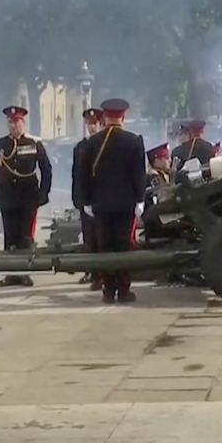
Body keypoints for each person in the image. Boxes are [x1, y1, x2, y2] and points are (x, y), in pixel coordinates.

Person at [77, 98, 146, 303]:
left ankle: (108, 291)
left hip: (101, 205)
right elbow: (138, 175)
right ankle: (124, 290)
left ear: (105, 117)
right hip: (125, 204)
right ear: (123, 117)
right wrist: (140, 200)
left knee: (104, 246)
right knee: (124, 245)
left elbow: (83, 176)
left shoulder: (92, 143)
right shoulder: (134, 141)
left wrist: (86, 201)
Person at [0, 106, 52, 287]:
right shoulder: (1, 145)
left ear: (23, 123)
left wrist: (43, 193)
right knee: (10, 237)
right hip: (9, 197)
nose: (13, 125)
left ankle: (25, 272)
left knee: (25, 237)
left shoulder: (34, 144)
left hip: (28, 197)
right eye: (10, 122)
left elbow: (46, 170)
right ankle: (11, 274)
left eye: (16, 121)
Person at [73, 108, 104, 290]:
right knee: (89, 240)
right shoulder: (81, 147)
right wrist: (79, 201)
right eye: (89, 124)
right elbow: (77, 175)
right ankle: (93, 274)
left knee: (102, 239)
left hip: (102, 199)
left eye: (95, 123)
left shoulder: (104, 144)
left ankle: (103, 274)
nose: (92, 127)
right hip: (87, 200)